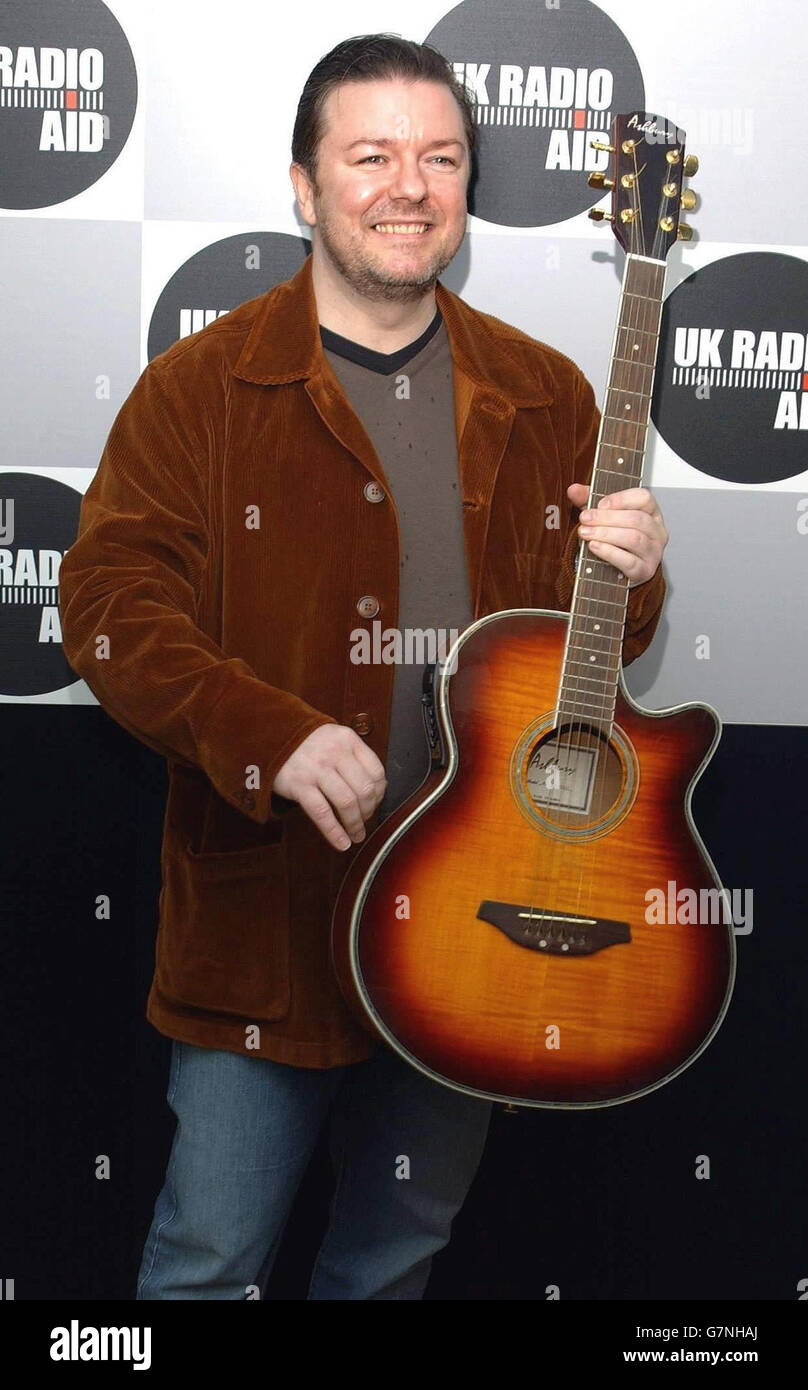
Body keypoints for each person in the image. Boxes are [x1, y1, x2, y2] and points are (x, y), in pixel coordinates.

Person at [58, 33, 669, 1300]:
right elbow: (110, 606)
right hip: (266, 929)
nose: (409, 186)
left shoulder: (544, 391)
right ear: (302, 184)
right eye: (371, 155)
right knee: (207, 1264)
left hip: (473, 927)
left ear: (466, 190)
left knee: (395, 1259)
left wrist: (634, 571)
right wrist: (263, 730)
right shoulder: (198, 390)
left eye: (439, 157)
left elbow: (583, 664)